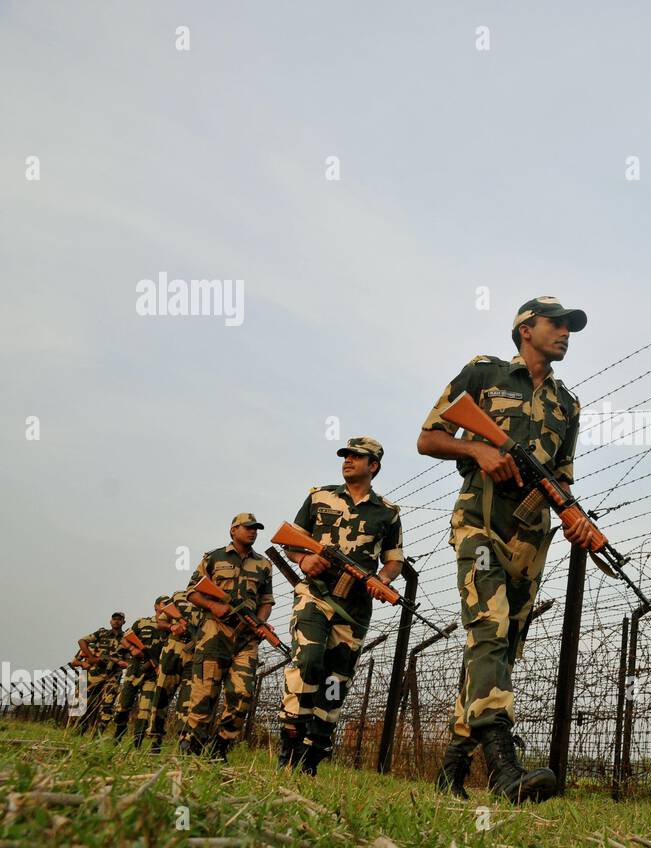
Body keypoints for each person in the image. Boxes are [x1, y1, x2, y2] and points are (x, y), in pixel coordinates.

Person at [416, 296, 597, 803]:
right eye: (556, 325)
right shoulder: (484, 373)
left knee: (498, 649)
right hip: (479, 522)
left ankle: (452, 768)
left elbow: (561, 477)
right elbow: (429, 438)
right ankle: (504, 770)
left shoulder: (568, 403)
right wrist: (477, 449)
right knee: (490, 628)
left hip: (530, 538)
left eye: (569, 328)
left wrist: (574, 517)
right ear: (525, 329)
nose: (565, 333)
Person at [277, 437, 404, 776]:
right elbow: (290, 539)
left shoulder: (388, 513)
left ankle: (314, 749)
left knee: (336, 678)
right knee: (308, 658)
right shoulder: (320, 497)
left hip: (355, 607)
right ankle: (291, 738)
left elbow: (393, 560)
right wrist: (304, 559)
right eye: (345, 455)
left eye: (356, 457)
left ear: (373, 465)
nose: (348, 460)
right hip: (315, 595)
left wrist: (383, 580)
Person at [179, 514, 274, 760]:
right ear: (233, 530)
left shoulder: (263, 564)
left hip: (246, 638)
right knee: (204, 694)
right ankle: (193, 746)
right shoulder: (213, 558)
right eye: (248, 528)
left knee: (243, 694)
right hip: (214, 633)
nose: (253, 532)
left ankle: (220, 745)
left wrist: (261, 623)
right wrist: (213, 606)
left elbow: (266, 600)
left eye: (256, 529)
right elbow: (192, 592)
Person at [144, 591, 201, 753]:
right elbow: (161, 623)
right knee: (161, 696)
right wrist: (173, 626)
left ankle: (185, 740)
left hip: (195, 654)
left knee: (188, 700)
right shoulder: (178, 597)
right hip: (173, 650)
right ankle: (155, 739)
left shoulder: (211, 600)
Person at [111, 597, 170, 745]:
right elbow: (125, 638)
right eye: (164, 604)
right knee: (123, 707)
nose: (167, 607)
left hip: (153, 673)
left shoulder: (170, 627)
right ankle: (119, 732)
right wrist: (132, 648)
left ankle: (137, 742)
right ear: (155, 606)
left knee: (145, 710)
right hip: (135, 669)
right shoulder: (142, 622)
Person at [74, 612, 128, 734]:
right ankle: (79, 729)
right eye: (114, 619)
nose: (116, 621)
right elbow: (82, 641)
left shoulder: (126, 638)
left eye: (119, 619)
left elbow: (130, 658)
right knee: (83, 701)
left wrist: (119, 662)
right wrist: (91, 657)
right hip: (96, 673)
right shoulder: (102, 633)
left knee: (107, 705)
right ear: (110, 621)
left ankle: (98, 735)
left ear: (123, 622)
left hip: (113, 676)